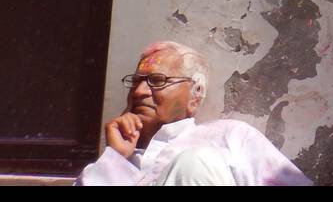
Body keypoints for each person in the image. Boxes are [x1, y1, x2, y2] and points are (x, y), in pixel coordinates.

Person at [76, 41, 312, 186]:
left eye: (156, 81)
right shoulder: (120, 158)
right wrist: (115, 157)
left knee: (195, 163)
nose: (139, 91)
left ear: (195, 94)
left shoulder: (229, 137)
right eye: (135, 82)